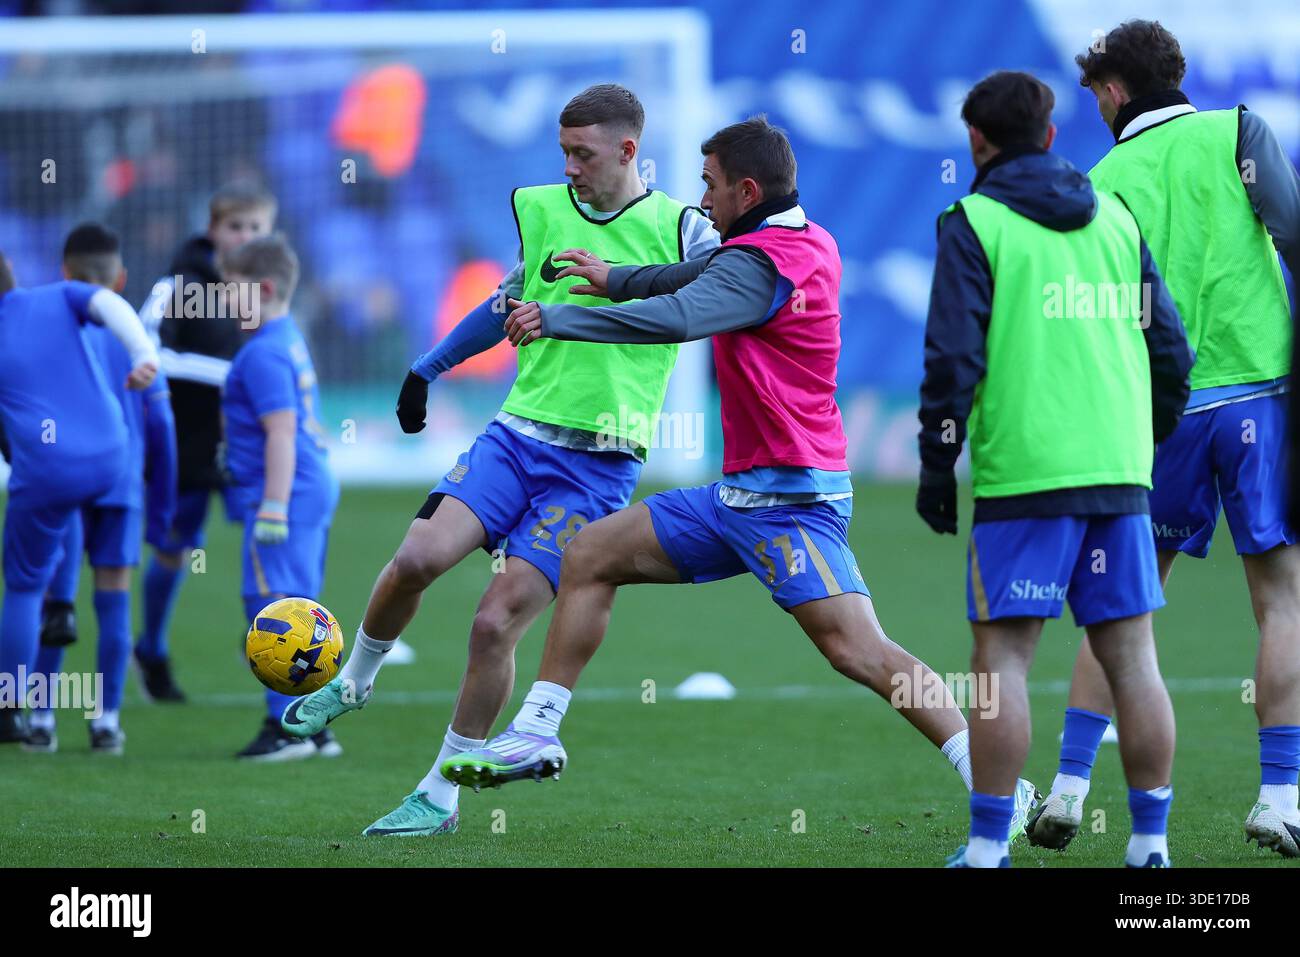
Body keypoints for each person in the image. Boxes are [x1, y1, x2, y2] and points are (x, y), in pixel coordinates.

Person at [443, 115, 1039, 838]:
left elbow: (680, 314)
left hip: (791, 499)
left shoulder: (761, 265)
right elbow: (695, 273)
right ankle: (539, 727)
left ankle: (1001, 789)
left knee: (860, 650)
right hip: (739, 496)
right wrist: (616, 276)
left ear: (746, 190)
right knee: (590, 554)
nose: (702, 199)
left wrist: (565, 316)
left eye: (711, 185)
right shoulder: (799, 239)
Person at [279, 83, 719, 835]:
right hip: (517, 437)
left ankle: (440, 795)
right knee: (416, 556)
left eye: (583, 154)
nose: (571, 167)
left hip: (597, 465)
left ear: (627, 150)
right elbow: (508, 302)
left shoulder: (682, 229)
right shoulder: (544, 209)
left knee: (493, 623)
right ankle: (354, 681)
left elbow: (724, 283)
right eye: (563, 153)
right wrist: (430, 364)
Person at [1031, 19, 1300, 858]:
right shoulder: (1239, 133)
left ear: (1114, 89)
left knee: (1122, 600)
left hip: (1158, 413)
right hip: (1260, 393)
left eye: (1096, 94)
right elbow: (1293, 234)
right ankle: (1280, 797)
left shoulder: (1100, 178)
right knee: (1284, 596)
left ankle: (1071, 788)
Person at [916, 71, 1193, 867]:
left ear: (976, 140)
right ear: (1049, 134)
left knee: (1002, 663)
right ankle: (1148, 848)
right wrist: (1142, 436)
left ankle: (984, 849)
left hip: (1026, 477)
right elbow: (1168, 349)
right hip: (1117, 471)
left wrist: (938, 465)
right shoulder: (1113, 217)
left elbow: (952, 357)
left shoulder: (973, 221)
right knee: (1133, 659)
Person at [24, 223, 177, 754]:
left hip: (62, 481)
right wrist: (162, 512)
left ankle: (41, 719)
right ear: (121, 277)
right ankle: (106, 719)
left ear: (63, 275)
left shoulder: (51, 334)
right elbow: (162, 429)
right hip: (122, 484)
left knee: (52, 602)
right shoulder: (136, 337)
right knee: (113, 603)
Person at [133, 183, 276, 702]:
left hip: (247, 444)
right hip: (186, 439)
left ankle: (264, 637)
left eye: (256, 228)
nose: (245, 237)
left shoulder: (269, 288)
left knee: (267, 533)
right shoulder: (179, 285)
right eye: (235, 227)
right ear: (212, 230)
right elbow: (149, 353)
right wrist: (231, 376)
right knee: (174, 549)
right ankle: (150, 649)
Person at [219, 234, 341, 761]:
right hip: (311, 486)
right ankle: (315, 727)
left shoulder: (263, 352)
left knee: (272, 610)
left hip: (286, 493)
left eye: (231, 290)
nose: (224, 301)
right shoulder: (287, 337)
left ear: (262, 288)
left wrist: (272, 503)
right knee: (301, 608)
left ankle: (288, 729)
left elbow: (280, 433)